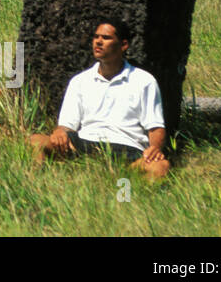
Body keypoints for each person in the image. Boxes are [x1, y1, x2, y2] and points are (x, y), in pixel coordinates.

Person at [28, 18, 170, 179]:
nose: (99, 42)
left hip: (127, 148)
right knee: (36, 141)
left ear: (123, 45)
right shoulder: (80, 81)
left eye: (106, 38)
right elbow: (67, 125)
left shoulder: (144, 81)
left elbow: (155, 127)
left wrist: (155, 148)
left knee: (160, 167)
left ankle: (126, 196)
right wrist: (59, 132)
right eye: (96, 37)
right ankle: (38, 183)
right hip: (84, 143)